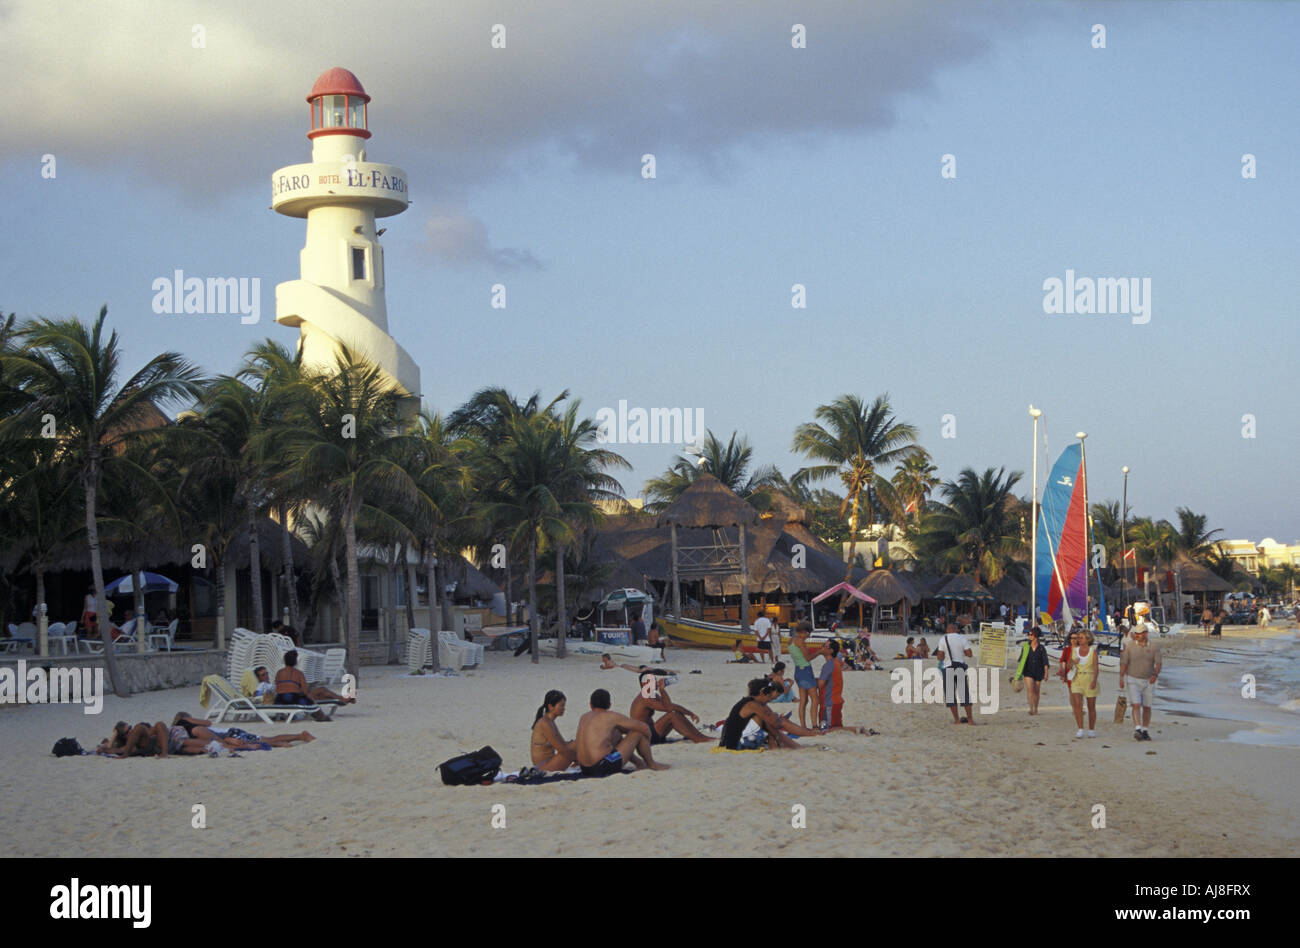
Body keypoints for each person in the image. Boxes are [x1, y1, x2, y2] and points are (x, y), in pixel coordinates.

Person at [574, 689, 667, 776]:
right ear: (609, 705)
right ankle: (651, 763)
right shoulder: (610, 716)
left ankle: (640, 763)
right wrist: (646, 741)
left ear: (590, 704)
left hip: (585, 768)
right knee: (638, 733)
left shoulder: (584, 717)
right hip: (603, 766)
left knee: (616, 732)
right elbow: (644, 728)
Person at [628, 671, 713, 744]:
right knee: (672, 715)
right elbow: (669, 708)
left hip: (651, 733)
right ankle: (697, 738)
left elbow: (671, 705)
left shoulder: (652, 695)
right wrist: (662, 690)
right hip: (645, 736)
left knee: (676, 713)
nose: (656, 682)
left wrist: (690, 713)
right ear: (644, 684)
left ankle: (699, 736)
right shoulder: (645, 697)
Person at [274, 650, 355, 716]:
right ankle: (342, 698)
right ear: (295, 661)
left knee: (321, 692)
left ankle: (341, 698)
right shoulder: (298, 673)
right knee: (322, 691)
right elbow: (305, 692)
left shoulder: (279, 673)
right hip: (295, 699)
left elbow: (278, 688)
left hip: (280, 699)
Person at [1119, 625, 1161, 741]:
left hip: (1149, 680)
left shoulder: (1154, 647)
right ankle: (1137, 728)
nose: (1139, 636)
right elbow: (1124, 663)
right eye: (1137, 634)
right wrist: (1121, 678)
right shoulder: (1130, 647)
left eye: (1141, 633)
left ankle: (1145, 729)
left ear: (1146, 633)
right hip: (1133, 679)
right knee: (1136, 704)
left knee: (1147, 706)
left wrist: (1155, 675)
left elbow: (1158, 663)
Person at [934, 622, 975, 725]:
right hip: (960, 668)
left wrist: (945, 656)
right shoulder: (962, 638)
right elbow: (969, 654)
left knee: (950, 695)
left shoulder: (943, 639)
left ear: (947, 630)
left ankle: (957, 720)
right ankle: (970, 720)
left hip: (948, 668)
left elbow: (939, 657)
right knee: (964, 693)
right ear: (956, 629)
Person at [531, 690, 578, 771]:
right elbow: (562, 749)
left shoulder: (550, 721)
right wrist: (577, 758)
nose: (564, 709)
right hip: (544, 766)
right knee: (574, 745)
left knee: (575, 744)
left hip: (549, 761)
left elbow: (562, 744)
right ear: (550, 707)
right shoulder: (545, 723)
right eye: (561, 706)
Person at [1068, 630, 1100, 738]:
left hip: (1089, 678)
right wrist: (1073, 662)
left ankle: (1091, 729)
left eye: (1081, 637)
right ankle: (1080, 728)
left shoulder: (1093, 652)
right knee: (1077, 704)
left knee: (1091, 706)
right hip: (1077, 678)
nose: (1078, 639)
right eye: (1078, 637)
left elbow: (1096, 668)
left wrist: (1094, 680)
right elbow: (1068, 665)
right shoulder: (1074, 651)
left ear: (1088, 639)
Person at [788, 621, 819, 729]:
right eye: (807, 633)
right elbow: (808, 658)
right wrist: (820, 651)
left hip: (798, 671)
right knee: (815, 699)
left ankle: (803, 726)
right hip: (805, 670)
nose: (808, 636)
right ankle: (815, 725)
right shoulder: (800, 641)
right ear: (803, 632)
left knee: (803, 701)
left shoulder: (791, 640)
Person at [1015, 627, 1050, 715]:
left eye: (1031, 634)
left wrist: (1046, 673)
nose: (1029, 636)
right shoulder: (1026, 647)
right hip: (1028, 671)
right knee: (1030, 689)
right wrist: (1018, 673)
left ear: (1036, 636)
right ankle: (1030, 708)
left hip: (1039, 671)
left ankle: (1036, 708)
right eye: (1029, 634)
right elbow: (1021, 660)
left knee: (1036, 691)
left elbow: (1045, 661)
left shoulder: (1041, 648)